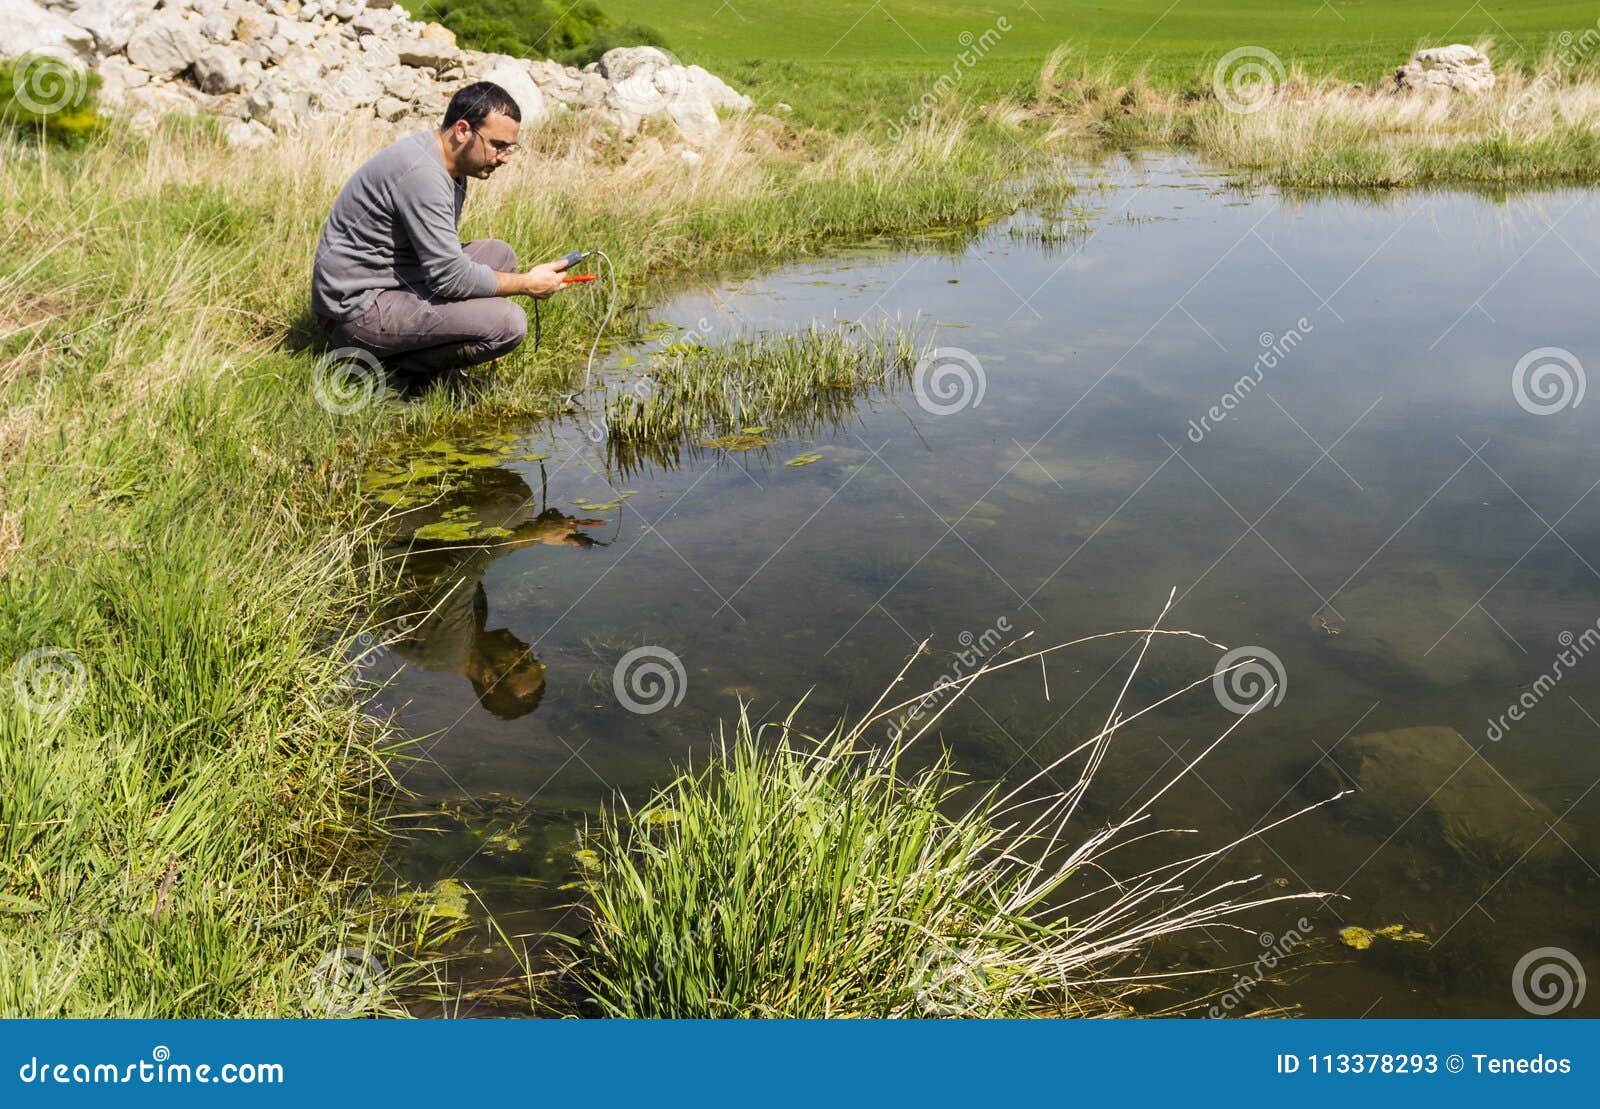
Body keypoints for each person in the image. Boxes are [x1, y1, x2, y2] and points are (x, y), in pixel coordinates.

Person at [310, 81, 571, 385]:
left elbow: (444, 267)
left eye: (509, 148)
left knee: (500, 255)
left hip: (393, 281)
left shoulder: (448, 163)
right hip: (354, 312)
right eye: (498, 146)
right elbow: (450, 276)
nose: (504, 158)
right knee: (509, 323)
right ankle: (395, 373)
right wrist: (527, 284)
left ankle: (415, 354)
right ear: (462, 131)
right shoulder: (423, 174)